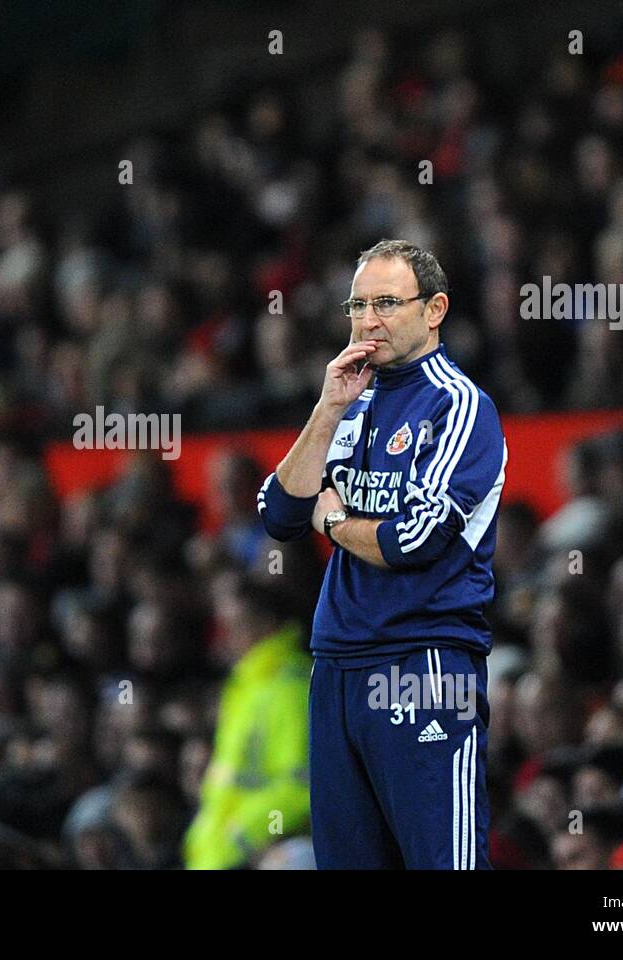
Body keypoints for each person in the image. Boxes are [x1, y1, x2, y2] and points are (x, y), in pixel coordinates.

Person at [258, 239, 506, 868]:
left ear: (435, 309)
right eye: (358, 305)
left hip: (422, 663)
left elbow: (414, 540)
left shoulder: (459, 405)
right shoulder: (351, 400)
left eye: (388, 303)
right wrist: (326, 407)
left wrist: (335, 517)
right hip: (336, 664)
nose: (368, 321)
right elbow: (279, 513)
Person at [183, 578, 310, 869]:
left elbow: (301, 787)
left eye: (234, 626)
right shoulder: (245, 687)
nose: (225, 639)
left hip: (262, 851)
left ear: (266, 624)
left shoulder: (288, 689)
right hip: (222, 854)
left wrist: (243, 837)